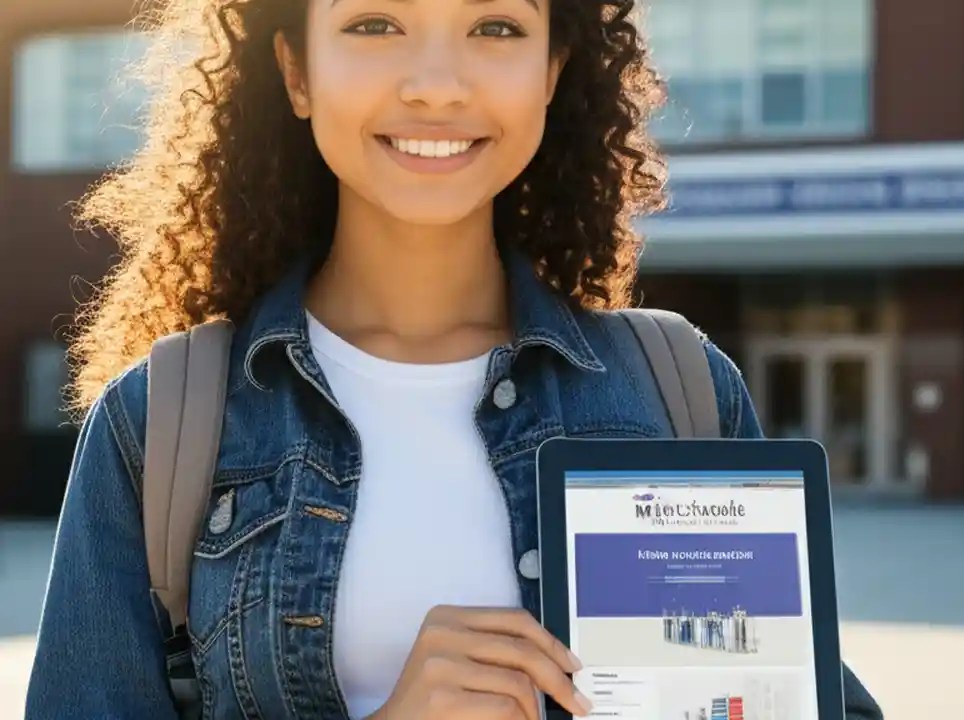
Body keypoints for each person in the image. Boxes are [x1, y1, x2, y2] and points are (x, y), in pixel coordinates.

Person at [25, 0, 883, 718]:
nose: (437, 85)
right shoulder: (162, 423)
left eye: (496, 27)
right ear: (296, 71)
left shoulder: (676, 389)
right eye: (374, 24)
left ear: (551, 71)